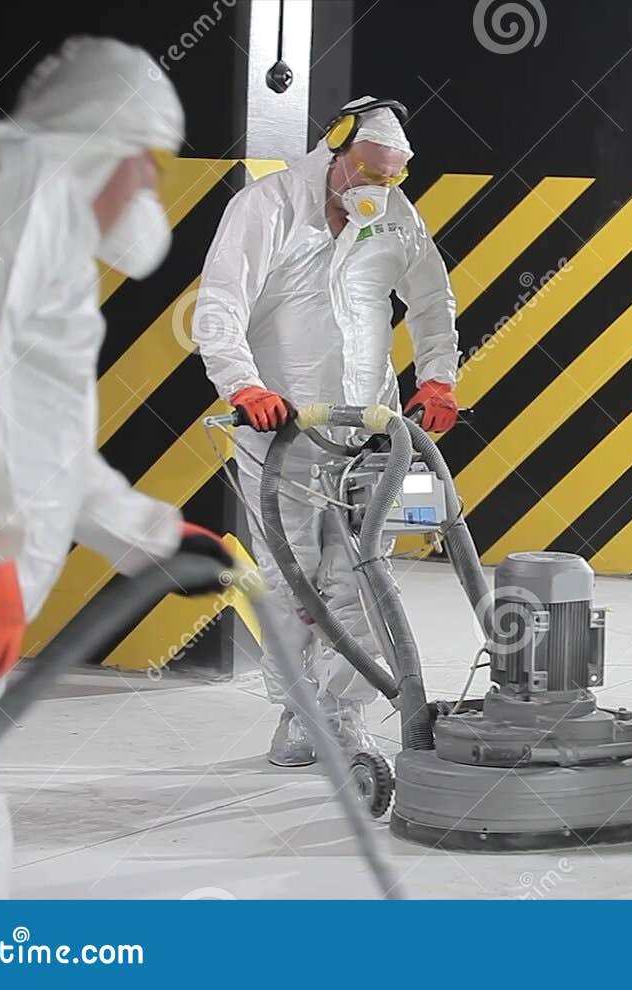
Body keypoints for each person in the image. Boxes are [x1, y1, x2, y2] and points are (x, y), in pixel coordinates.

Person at [0, 37, 230, 900]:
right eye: (145, 164)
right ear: (101, 141)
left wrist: (153, 535)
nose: (148, 189)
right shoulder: (13, 168)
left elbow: (42, 437)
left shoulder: (44, 224)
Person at [192, 96, 460, 767]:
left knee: (368, 573)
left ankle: (341, 714)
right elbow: (221, 300)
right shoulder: (269, 208)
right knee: (294, 577)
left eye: (393, 179)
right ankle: (297, 713)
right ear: (334, 151)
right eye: (370, 174)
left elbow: (432, 300)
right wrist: (242, 385)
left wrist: (438, 378)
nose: (380, 190)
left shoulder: (394, 218)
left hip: (372, 430)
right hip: (281, 431)